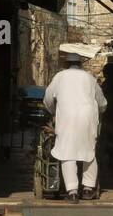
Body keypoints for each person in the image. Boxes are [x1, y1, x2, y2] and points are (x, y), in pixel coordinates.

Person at [43, 43, 107, 201]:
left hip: (66, 117)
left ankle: (71, 191)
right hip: (87, 117)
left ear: (66, 64)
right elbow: (101, 102)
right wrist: (101, 111)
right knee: (89, 152)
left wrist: (52, 112)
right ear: (80, 65)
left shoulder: (59, 77)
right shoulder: (89, 78)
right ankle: (87, 188)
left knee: (67, 152)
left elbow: (48, 99)